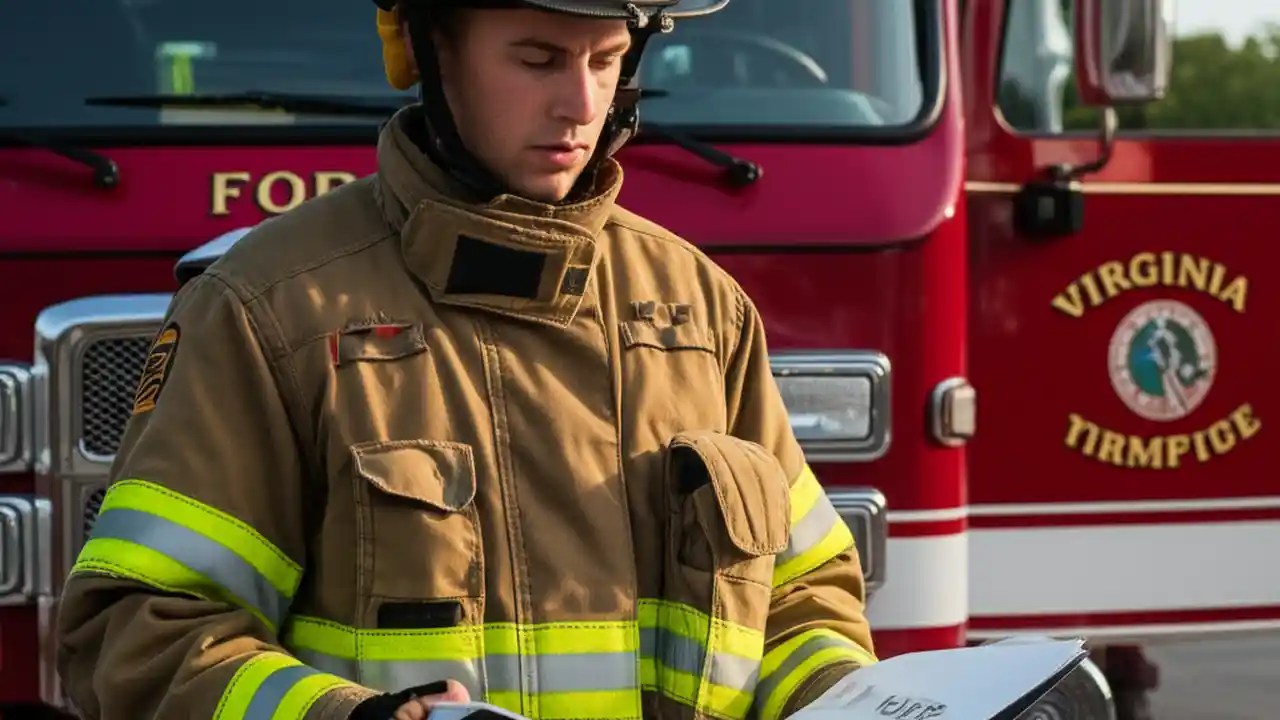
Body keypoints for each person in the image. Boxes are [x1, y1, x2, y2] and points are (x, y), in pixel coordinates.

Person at [54, 0, 878, 718]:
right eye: (537, 59)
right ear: (434, 51)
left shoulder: (699, 310)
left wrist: (846, 698)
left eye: (607, 60)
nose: (581, 103)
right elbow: (142, 637)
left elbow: (799, 599)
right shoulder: (273, 312)